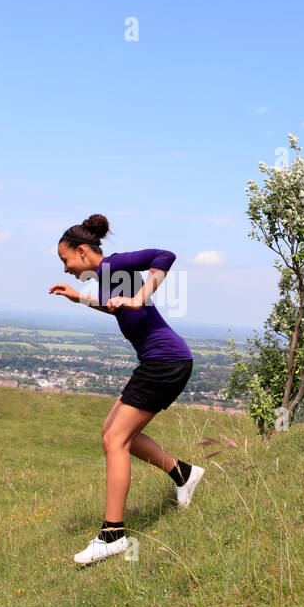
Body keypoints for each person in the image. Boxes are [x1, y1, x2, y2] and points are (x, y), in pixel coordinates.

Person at [49, 214, 205, 566]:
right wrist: (78, 298)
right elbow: (116, 308)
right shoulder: (106, 278)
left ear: (83, 251)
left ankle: (113, 534)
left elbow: (166, 256)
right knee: (113, 433)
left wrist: (140, 296)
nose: (65, 268)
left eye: (65, 260)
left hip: (165, 361)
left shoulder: (115, 264)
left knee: (114, 440)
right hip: (157, 362)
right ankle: (183, 473)